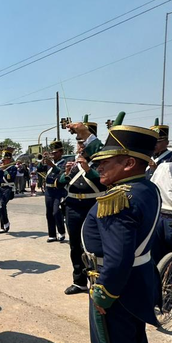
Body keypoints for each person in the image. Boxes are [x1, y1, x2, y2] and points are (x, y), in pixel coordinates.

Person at [80, 112, 162, 343]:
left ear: (128, 163)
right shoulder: (146, 188)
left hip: (118, 286)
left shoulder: (118, 197)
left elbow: (117, 257)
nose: (100, 166)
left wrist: (105, 292)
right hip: (139, 281)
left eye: (107, 161)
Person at [60, 116, 106, 295]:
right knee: (75, 246)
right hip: (73, 205)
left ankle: (99, 280)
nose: (80, 146)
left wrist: (88, 169)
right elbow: (61, 183)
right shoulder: (73, 159)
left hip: (92, 204)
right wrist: (65, 174)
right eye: (79, 142)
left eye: (83, 142)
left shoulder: (100, 159)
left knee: (96, 245)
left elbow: (104, 182)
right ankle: (79, 281)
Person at [37, 141, 67, 242]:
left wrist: (53, 166)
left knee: (56, 212)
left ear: (61, 152)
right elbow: (39, 169)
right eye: (52, 153)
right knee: (49, 213)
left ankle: (61, 232)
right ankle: (52, 234)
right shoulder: (50, 163)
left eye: (55, 153)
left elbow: (62, 173)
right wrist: (42, 161)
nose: (53, 155)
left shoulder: (65, 162)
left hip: (58, 190)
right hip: (48, 190)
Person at [0, 149, 16, 234]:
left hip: (8, 188)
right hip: (0, 189)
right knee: (0, 207)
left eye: (5, 160)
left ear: (9, 159)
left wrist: (4, 170)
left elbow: (10, 178)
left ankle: (6, 224)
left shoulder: (13, 168)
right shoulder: (0, 167)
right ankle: (3, 225)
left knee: (2, 204)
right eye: (3, 160)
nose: (3, 162)